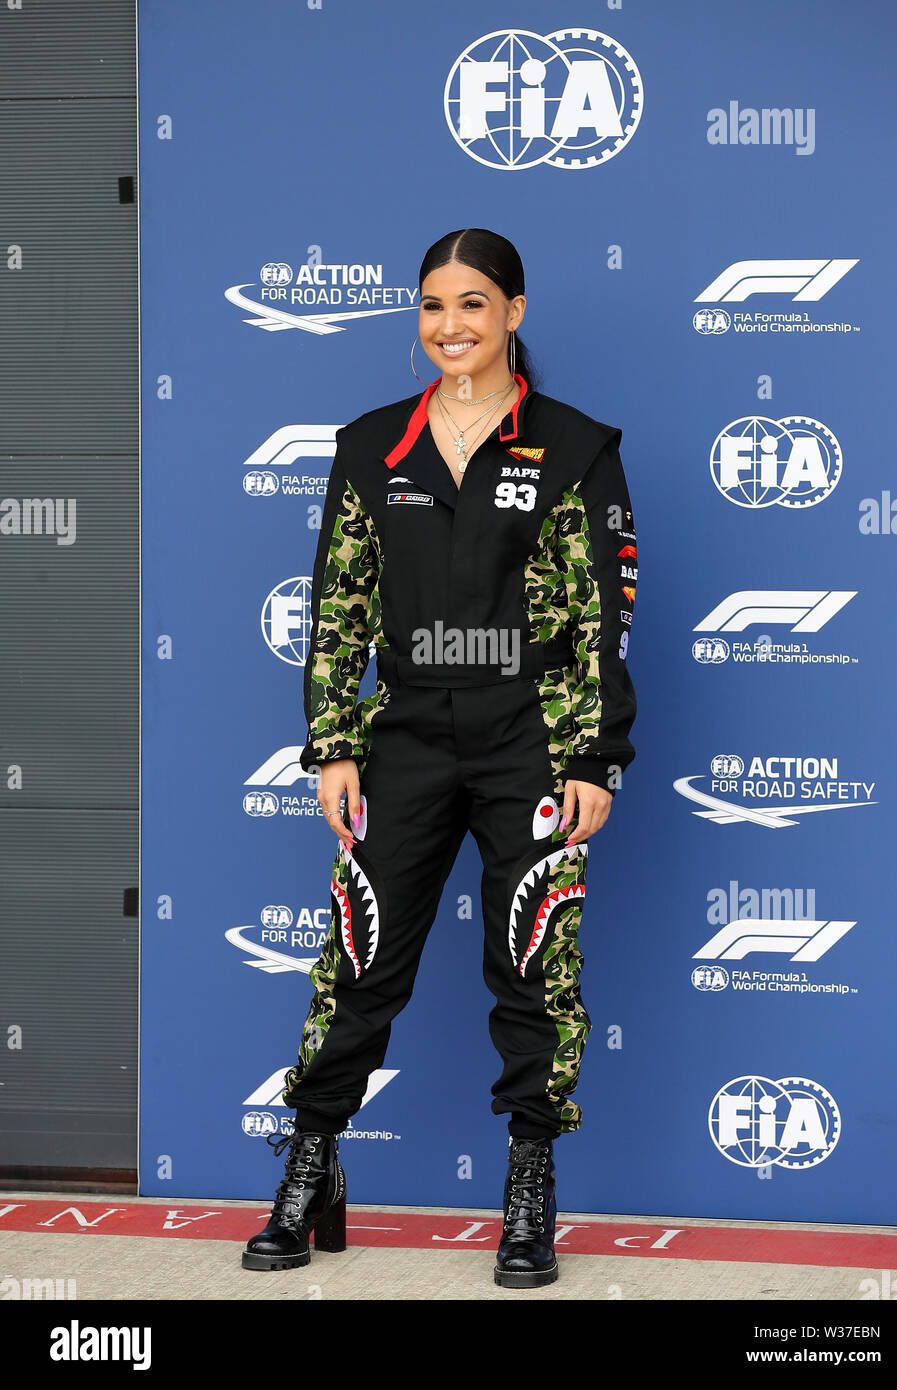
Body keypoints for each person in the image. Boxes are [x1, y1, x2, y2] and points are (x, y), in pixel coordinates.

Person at [242, 228, 637, 1289]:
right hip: (405, 739)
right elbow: (338, 609)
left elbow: (605, 615)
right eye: (430, 306)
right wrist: (332, 743)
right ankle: (311, 1166)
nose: (448, 327)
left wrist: (593, 756)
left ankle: (527, 1189)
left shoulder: (577, 446)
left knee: (534, 965)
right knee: (359, 960)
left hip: (533, 742)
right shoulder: (372, 444)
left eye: (471, 303)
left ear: (514, 310)